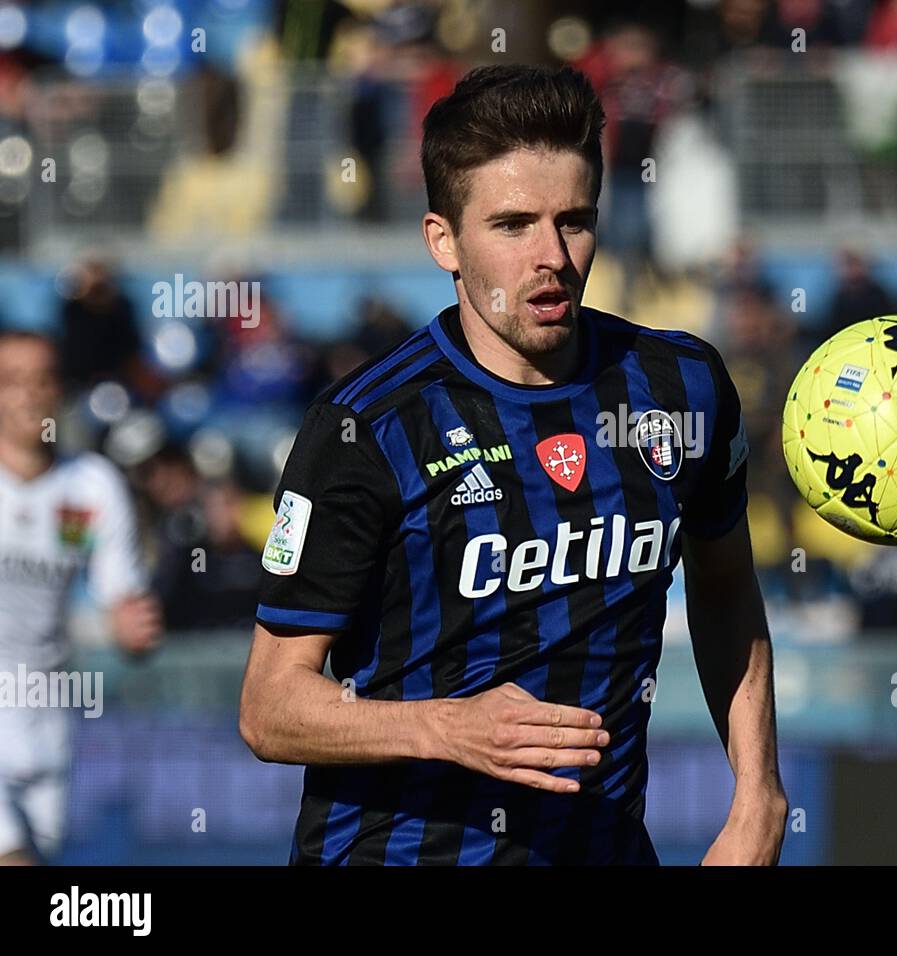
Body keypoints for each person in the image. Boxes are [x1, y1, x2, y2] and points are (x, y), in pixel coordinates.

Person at [238, 65, 788, 865]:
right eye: (512, 225)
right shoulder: (368, 426)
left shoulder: (682, 387)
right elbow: (269, 707)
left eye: (574, 220)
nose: (552, 257)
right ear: (443, 241)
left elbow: (727, 584)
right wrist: (445, 726)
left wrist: (758, 795)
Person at [0, 331, 162, 865]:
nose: (28, 395)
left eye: (41, 380)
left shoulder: (90, 485)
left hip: (46, 722)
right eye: (11, 381)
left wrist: (131, 628)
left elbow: (122, 601)